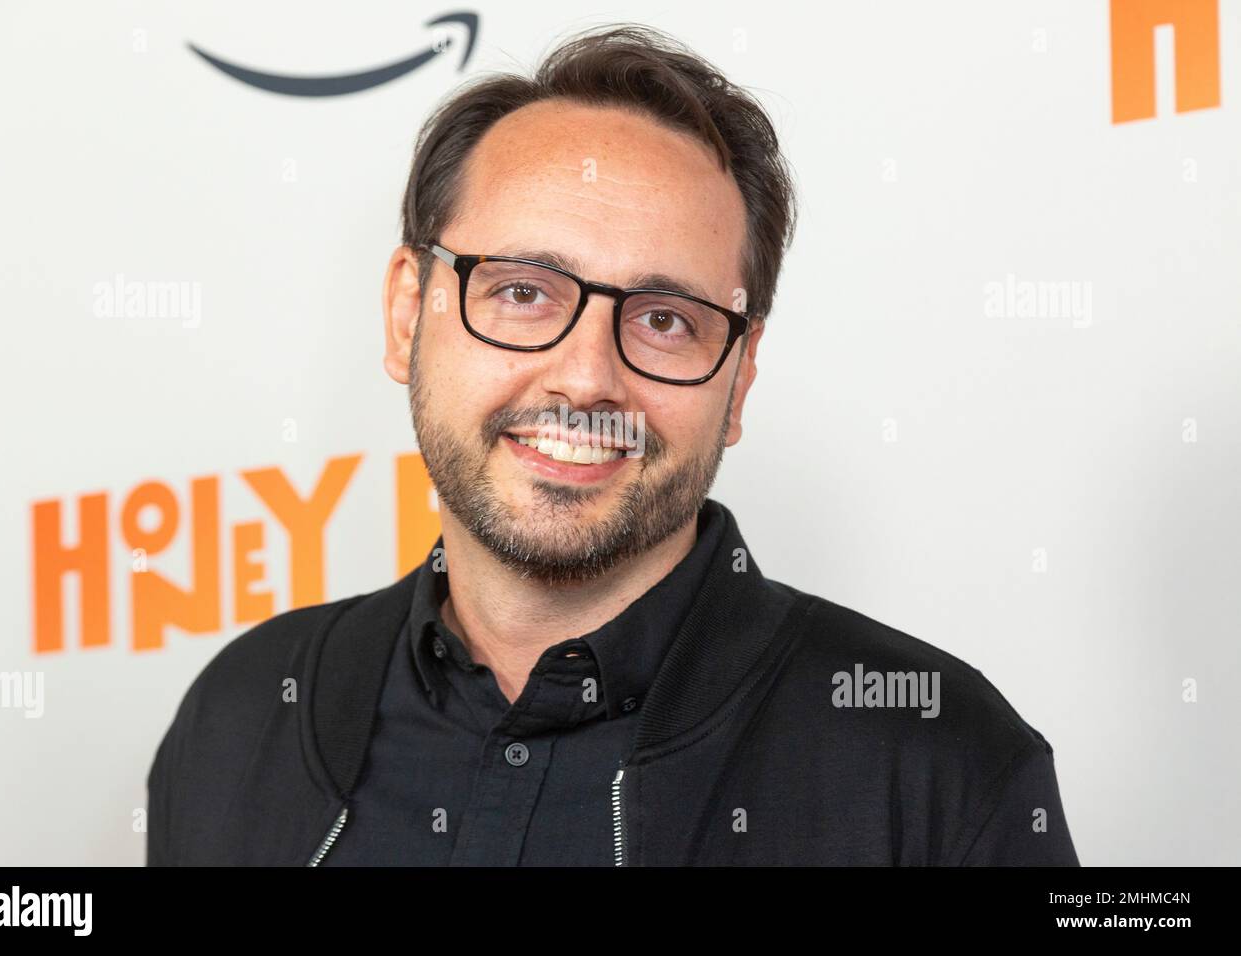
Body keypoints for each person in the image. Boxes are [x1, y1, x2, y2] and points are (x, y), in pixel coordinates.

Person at [146, 23, 1079, 866]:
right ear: (406, 314)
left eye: (666, 319)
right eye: (522, 292)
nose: (586, 377)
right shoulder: (243, 714)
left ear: (739, 376)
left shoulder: (941, 765)